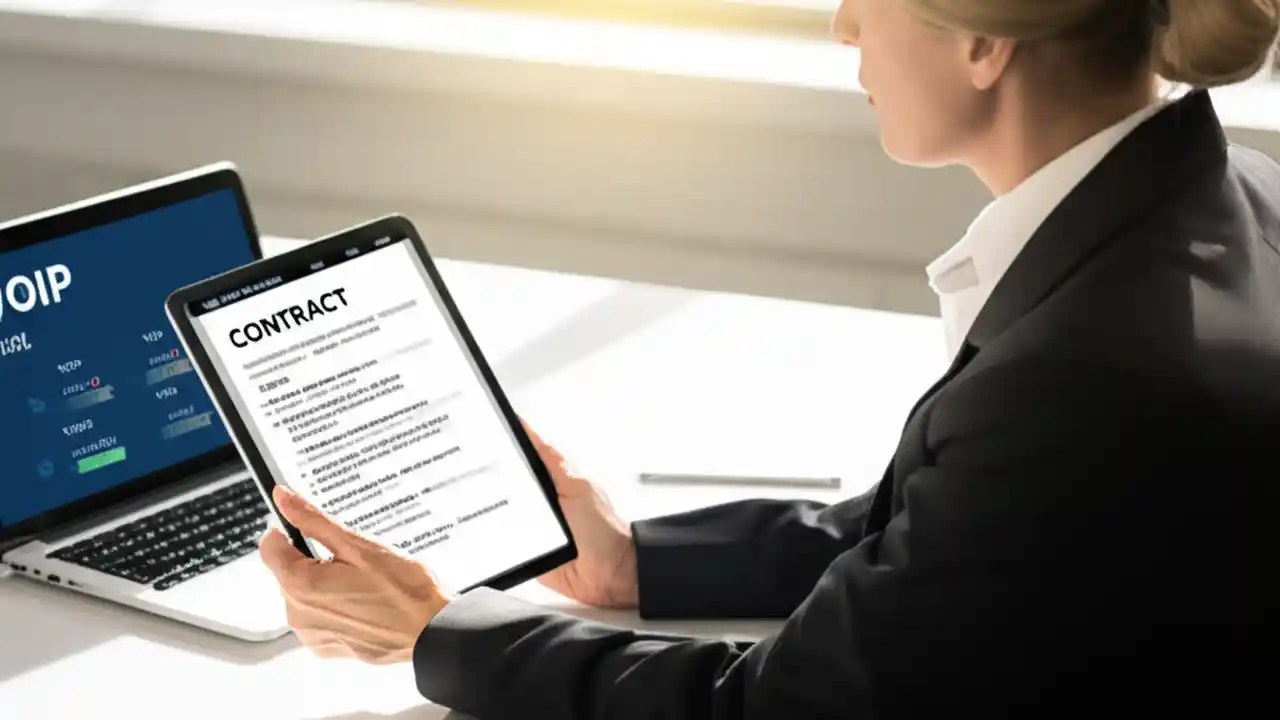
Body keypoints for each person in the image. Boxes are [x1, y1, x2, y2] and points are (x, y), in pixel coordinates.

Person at [259, 0, 1280, 716]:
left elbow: (777, 707)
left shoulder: (1083, 381)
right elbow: (956, 539)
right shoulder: (1232, 193)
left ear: (981, 44)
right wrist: (637, 562)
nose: (842, 24)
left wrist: (437, 634)